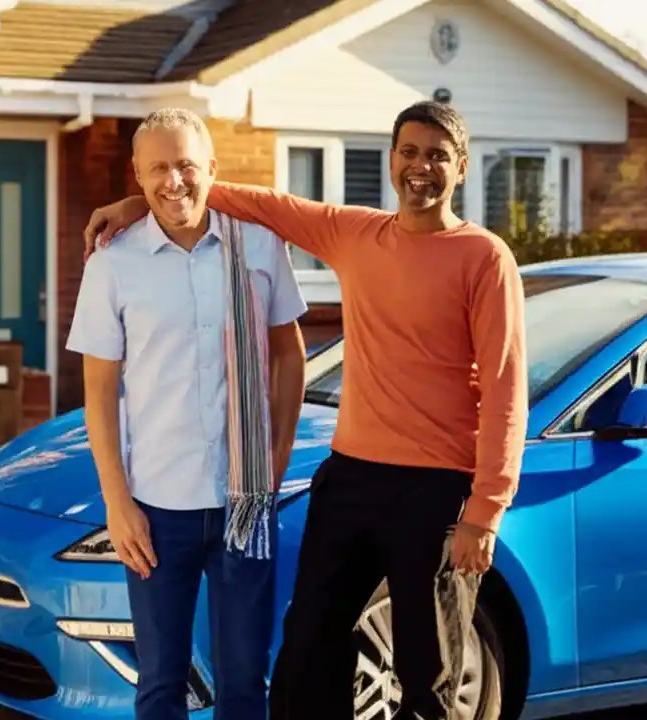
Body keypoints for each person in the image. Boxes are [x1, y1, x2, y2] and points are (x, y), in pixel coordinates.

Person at [83, 101, 528, 720]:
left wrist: (485, 510)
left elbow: (507, 388)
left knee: (426, 671)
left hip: (436, 488)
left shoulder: (484, 257)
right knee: (307, 653)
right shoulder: (356, 233)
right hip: (351, 476)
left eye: (437, 156)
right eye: (409, 152)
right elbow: (261, 202)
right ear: (392, 159)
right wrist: (150, 203)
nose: (420, 167)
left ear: (460, 169)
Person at [65, 107, 308, 720]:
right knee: (160, 685)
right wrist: (118, 504)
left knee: (247, 684)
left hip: (245, 501)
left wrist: (274, 462)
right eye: (159, 169)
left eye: (187, 166)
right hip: (156, 509)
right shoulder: (113, 263)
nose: (175, 182)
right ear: (137, 177)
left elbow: (289, 357)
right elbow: (98, 392)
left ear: (212, 170)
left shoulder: (257, 244)